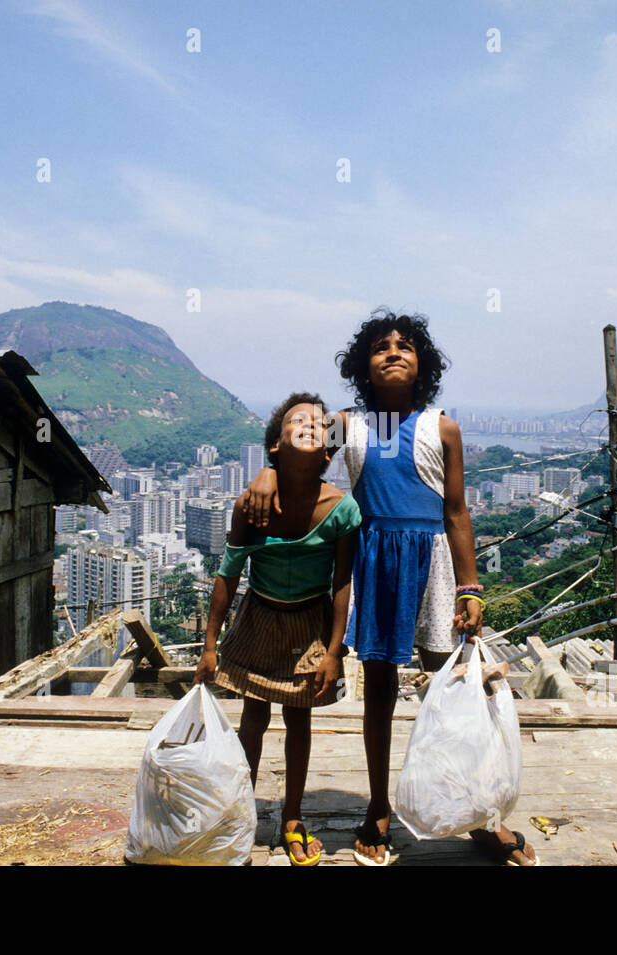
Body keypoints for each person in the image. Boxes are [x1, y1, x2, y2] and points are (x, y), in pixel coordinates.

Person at [239, 310, 537, 866]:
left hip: (433, 566)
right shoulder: (347, 424)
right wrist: (267, 472)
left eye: (405, 345)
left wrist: (471, 588)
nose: (393, 352)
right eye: (381, 346)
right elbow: (294, 452)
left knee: (456, 684)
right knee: (378, 687)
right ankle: (378, 806)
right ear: (363, 365)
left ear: (422, 362)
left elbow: (456, 512)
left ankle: (481, 814)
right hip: (372, 560)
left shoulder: (441, 426)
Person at [194, 392, 360, 866]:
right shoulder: (250, 504)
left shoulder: (341, 508)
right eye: (297, 422)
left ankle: (291, 815)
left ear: (329, 448)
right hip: (258, 616)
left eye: (318, 424)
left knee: (299, 718)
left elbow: (342, 581)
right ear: (273, 446)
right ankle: (240, 806)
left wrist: (334, 650)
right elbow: (228, 573)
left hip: (310, 619)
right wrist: (210, 645)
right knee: (253, 716)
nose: (311, 424)